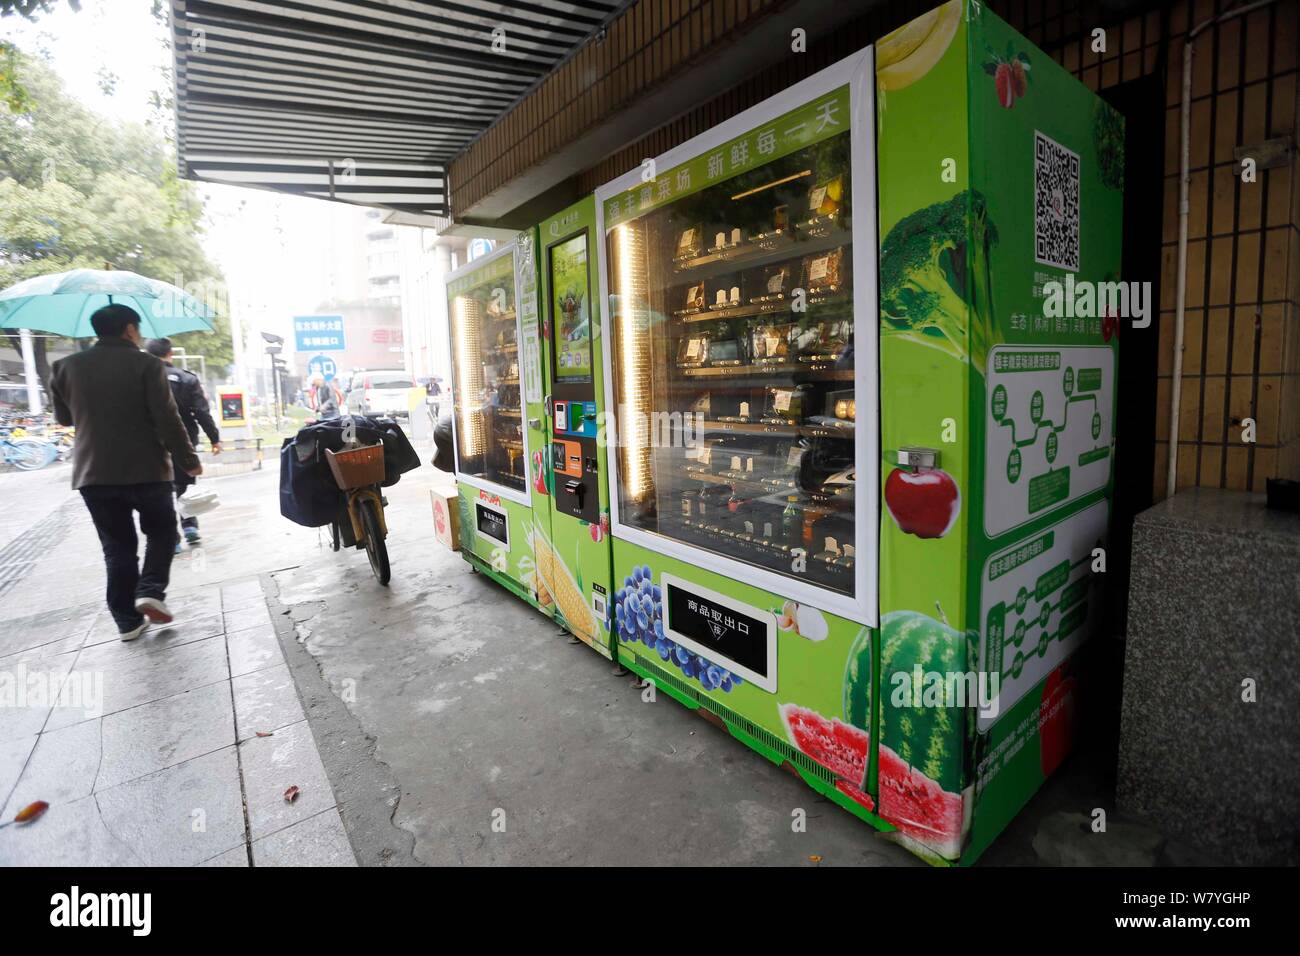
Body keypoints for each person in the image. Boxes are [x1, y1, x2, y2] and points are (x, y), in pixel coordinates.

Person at [49, 304, 201, 641]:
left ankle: (127, 622)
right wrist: (188, 459)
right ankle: (150, 590)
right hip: (148, 469)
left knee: (117, 549)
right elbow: (167, 418)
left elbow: (64, 418)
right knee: (163, 533)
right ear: (130, 330)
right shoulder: (147, 364)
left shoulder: (64, 367)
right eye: (138, 328)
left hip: (94, 474)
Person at [145, 337, 221, 550]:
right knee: (185, 485)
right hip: (184, 441)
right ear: (170, 354)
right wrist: (214, 438)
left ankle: (172, 539)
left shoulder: (140, 379)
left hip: (151, 444)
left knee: (160, 490)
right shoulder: (186, 379)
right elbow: (202, 412)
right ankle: (190, 527)